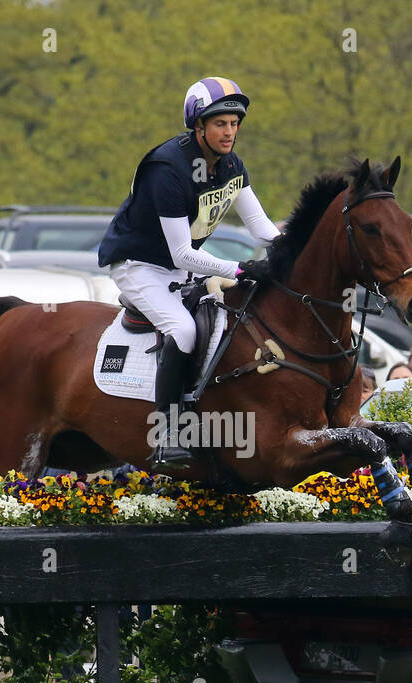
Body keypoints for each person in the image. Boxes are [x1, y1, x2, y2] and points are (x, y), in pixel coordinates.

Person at [98, 77, 282, 472]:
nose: (229, 132)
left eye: (234, 123)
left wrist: (293, 254)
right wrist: (239, 268)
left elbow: (262, 228)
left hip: (178, 265)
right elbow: (183, 252)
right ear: (197, 126)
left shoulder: (231, 165)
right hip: (139, 265)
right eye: (220, 124)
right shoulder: (167, 169)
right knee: (183, 330)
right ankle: (167, 434)